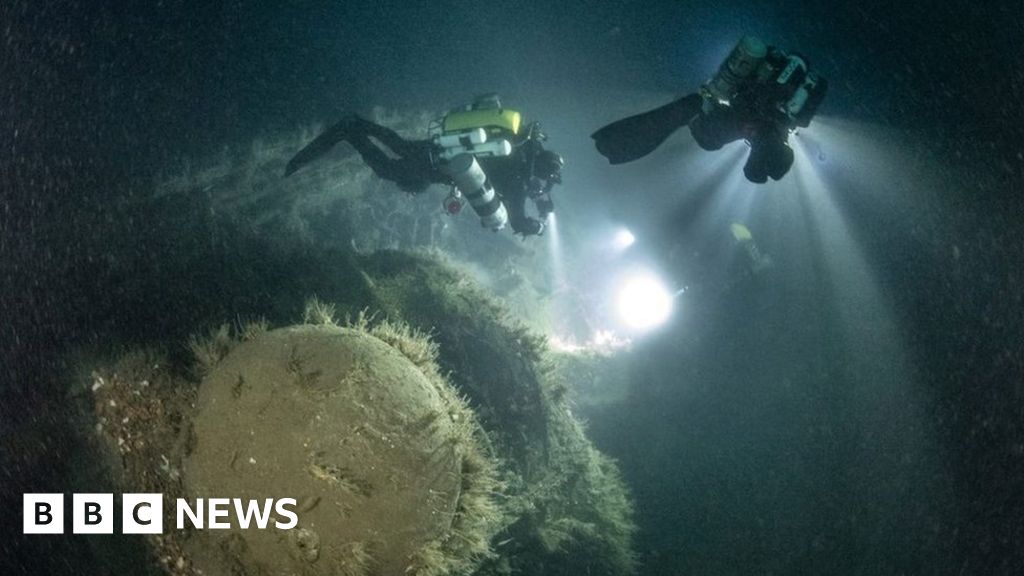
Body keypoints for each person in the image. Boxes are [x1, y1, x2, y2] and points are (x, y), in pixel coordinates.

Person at [284, 94, 563, 236]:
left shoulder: (521, 147)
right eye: (544, 180)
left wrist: (540, 195)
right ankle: (351, 131)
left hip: (441, 150)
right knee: (387, 169)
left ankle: (357, 124)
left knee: (400, 145)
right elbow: (517, 221)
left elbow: (528, 181)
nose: (540, 185)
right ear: (542, 171)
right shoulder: (518, 181)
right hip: (438, 167)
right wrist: (537, 228)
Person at [591, 35, 827, 183]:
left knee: (704, 132)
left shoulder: (783, 118)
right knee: (705, 134)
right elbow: (753, 141)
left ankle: (613, 144)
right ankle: (613, 145)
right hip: (750, 112)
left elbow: (753, 139)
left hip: (748, 111)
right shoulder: (780, 117)